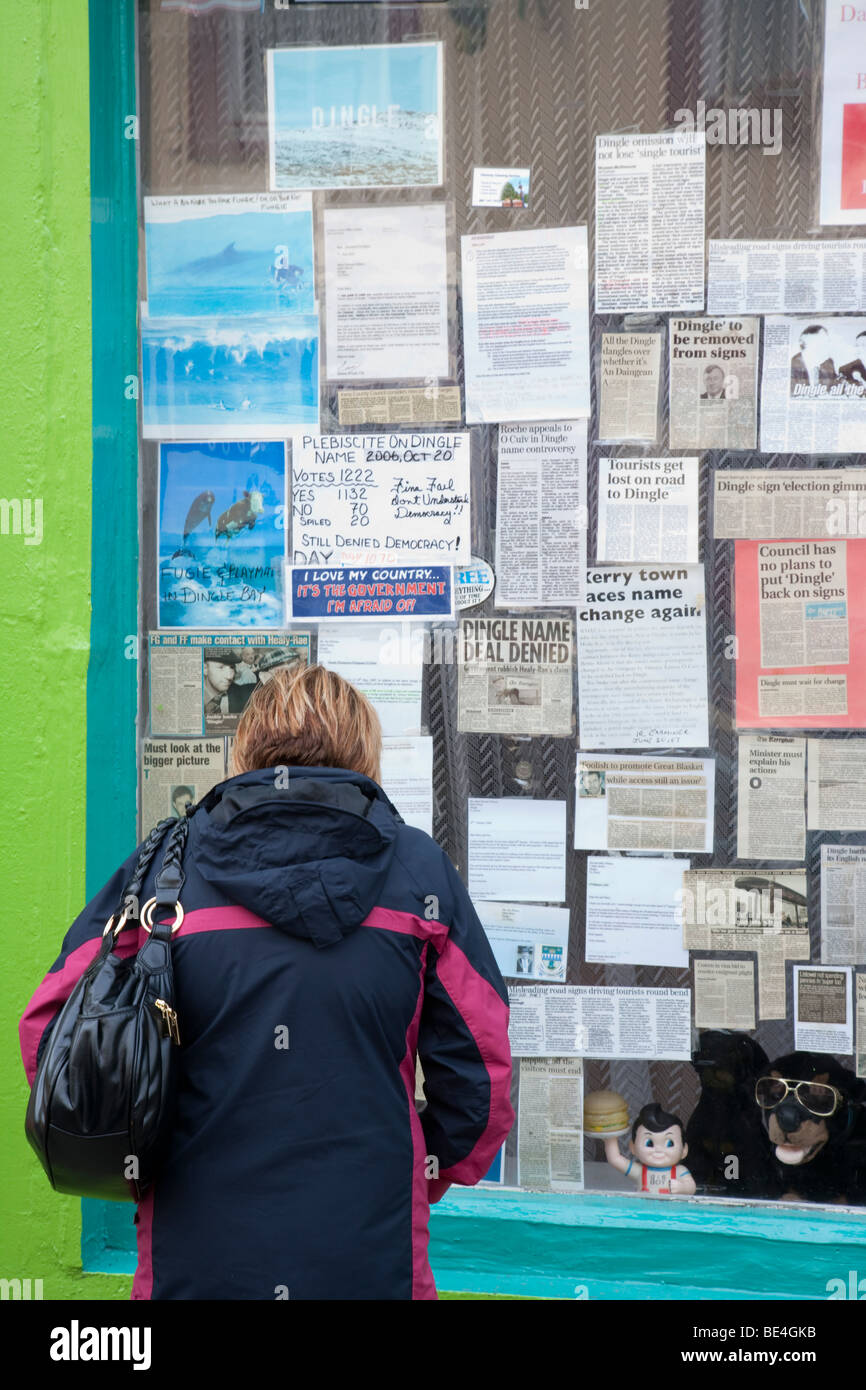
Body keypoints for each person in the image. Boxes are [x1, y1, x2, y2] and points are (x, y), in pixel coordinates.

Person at [19, 665, 514, 1300]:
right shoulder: (417, 870)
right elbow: (482, 1076)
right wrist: (416, 1168)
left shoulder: (165, 868)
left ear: (247, 746)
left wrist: (139, 1158)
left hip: (192, 1249)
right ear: (364, 750)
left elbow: (55, 1033)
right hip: (371, 1247)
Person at [790, 324, 837, 390]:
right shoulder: (791, 366)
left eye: (828, 341)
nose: (828, 346)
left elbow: (836, 388)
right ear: (804, 341)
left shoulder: (828, 364)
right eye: (822, 342)